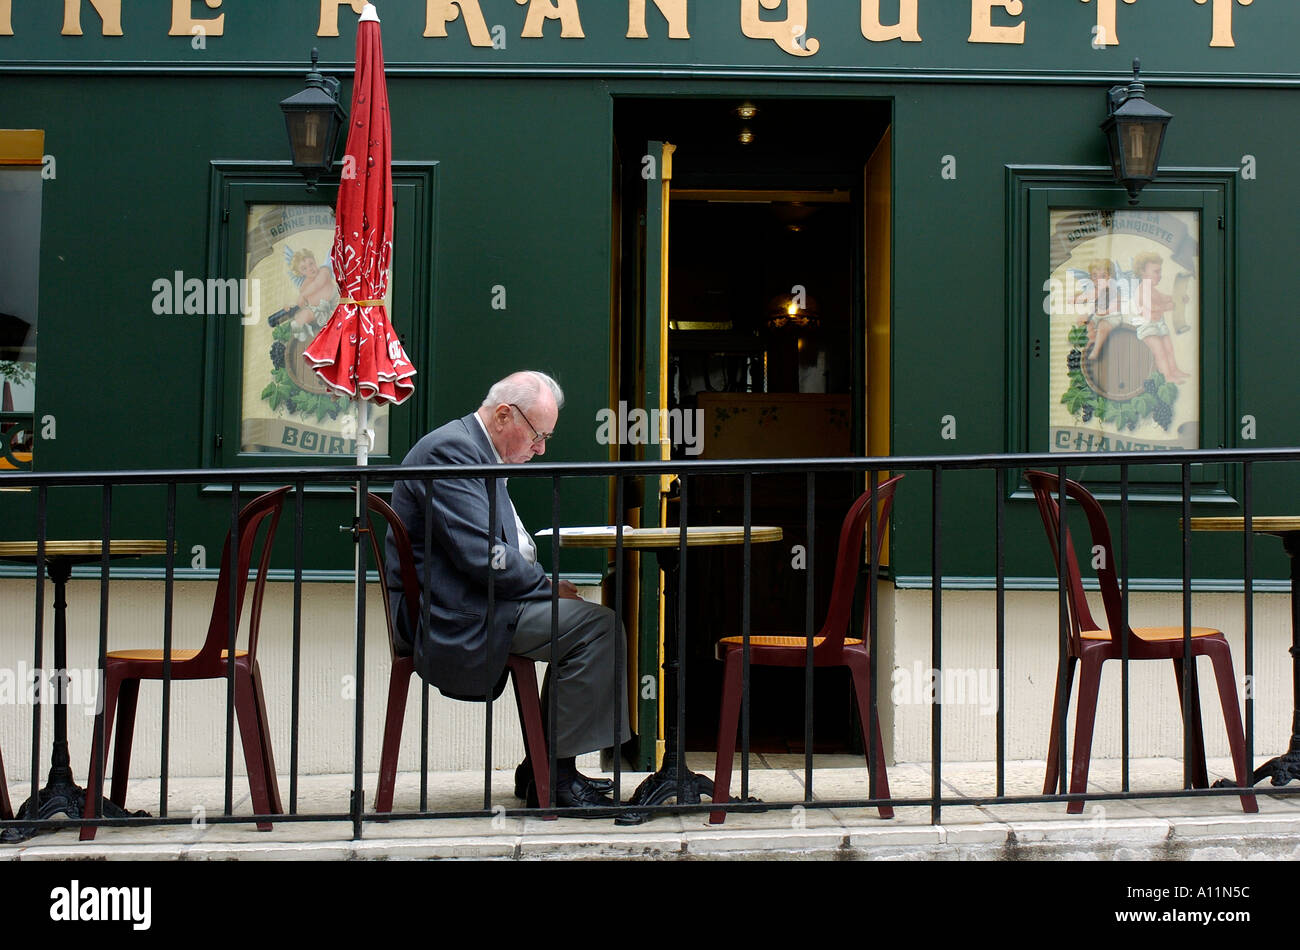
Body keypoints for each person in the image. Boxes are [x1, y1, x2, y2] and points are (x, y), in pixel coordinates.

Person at [386, 370, 629, 812]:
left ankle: (544, 768)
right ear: (503, 415)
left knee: (586, 621)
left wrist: (542, 586)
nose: (540, 449)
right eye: (538, 436)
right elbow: (481, 554)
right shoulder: (453, 452)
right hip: (454, 614)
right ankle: (553, 778)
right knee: (597, 628)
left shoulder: (475, 448)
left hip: (477, 603)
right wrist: (543, 587)